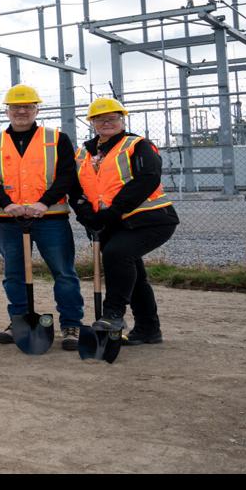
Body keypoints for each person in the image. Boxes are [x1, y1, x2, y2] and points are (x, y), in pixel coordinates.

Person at [0, 83, 84, 350]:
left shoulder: (56, 139)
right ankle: (19, 320)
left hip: (51, 218)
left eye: (28, 106)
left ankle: (71, 324)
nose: (22, 111)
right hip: (10, 220)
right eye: (16, 107)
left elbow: (67, 175)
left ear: (37, 108)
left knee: (63, 272)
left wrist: (44, 203)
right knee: (13, 274)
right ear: (7, 111)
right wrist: (6, 204)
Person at [70, 98, 177, 346]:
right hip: (110, 223)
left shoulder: (137, 145)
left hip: (150, 219)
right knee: (134, 276)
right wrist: (84, 212)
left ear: (122, 119)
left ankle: (113, 314)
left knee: (117, 254)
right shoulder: (83, 153)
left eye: (113, 118)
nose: (107, 122)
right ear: (92, 123)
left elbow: (147, 179)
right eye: (101, 119)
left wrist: (113, 212)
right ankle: (149, 329)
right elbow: (75, 187)